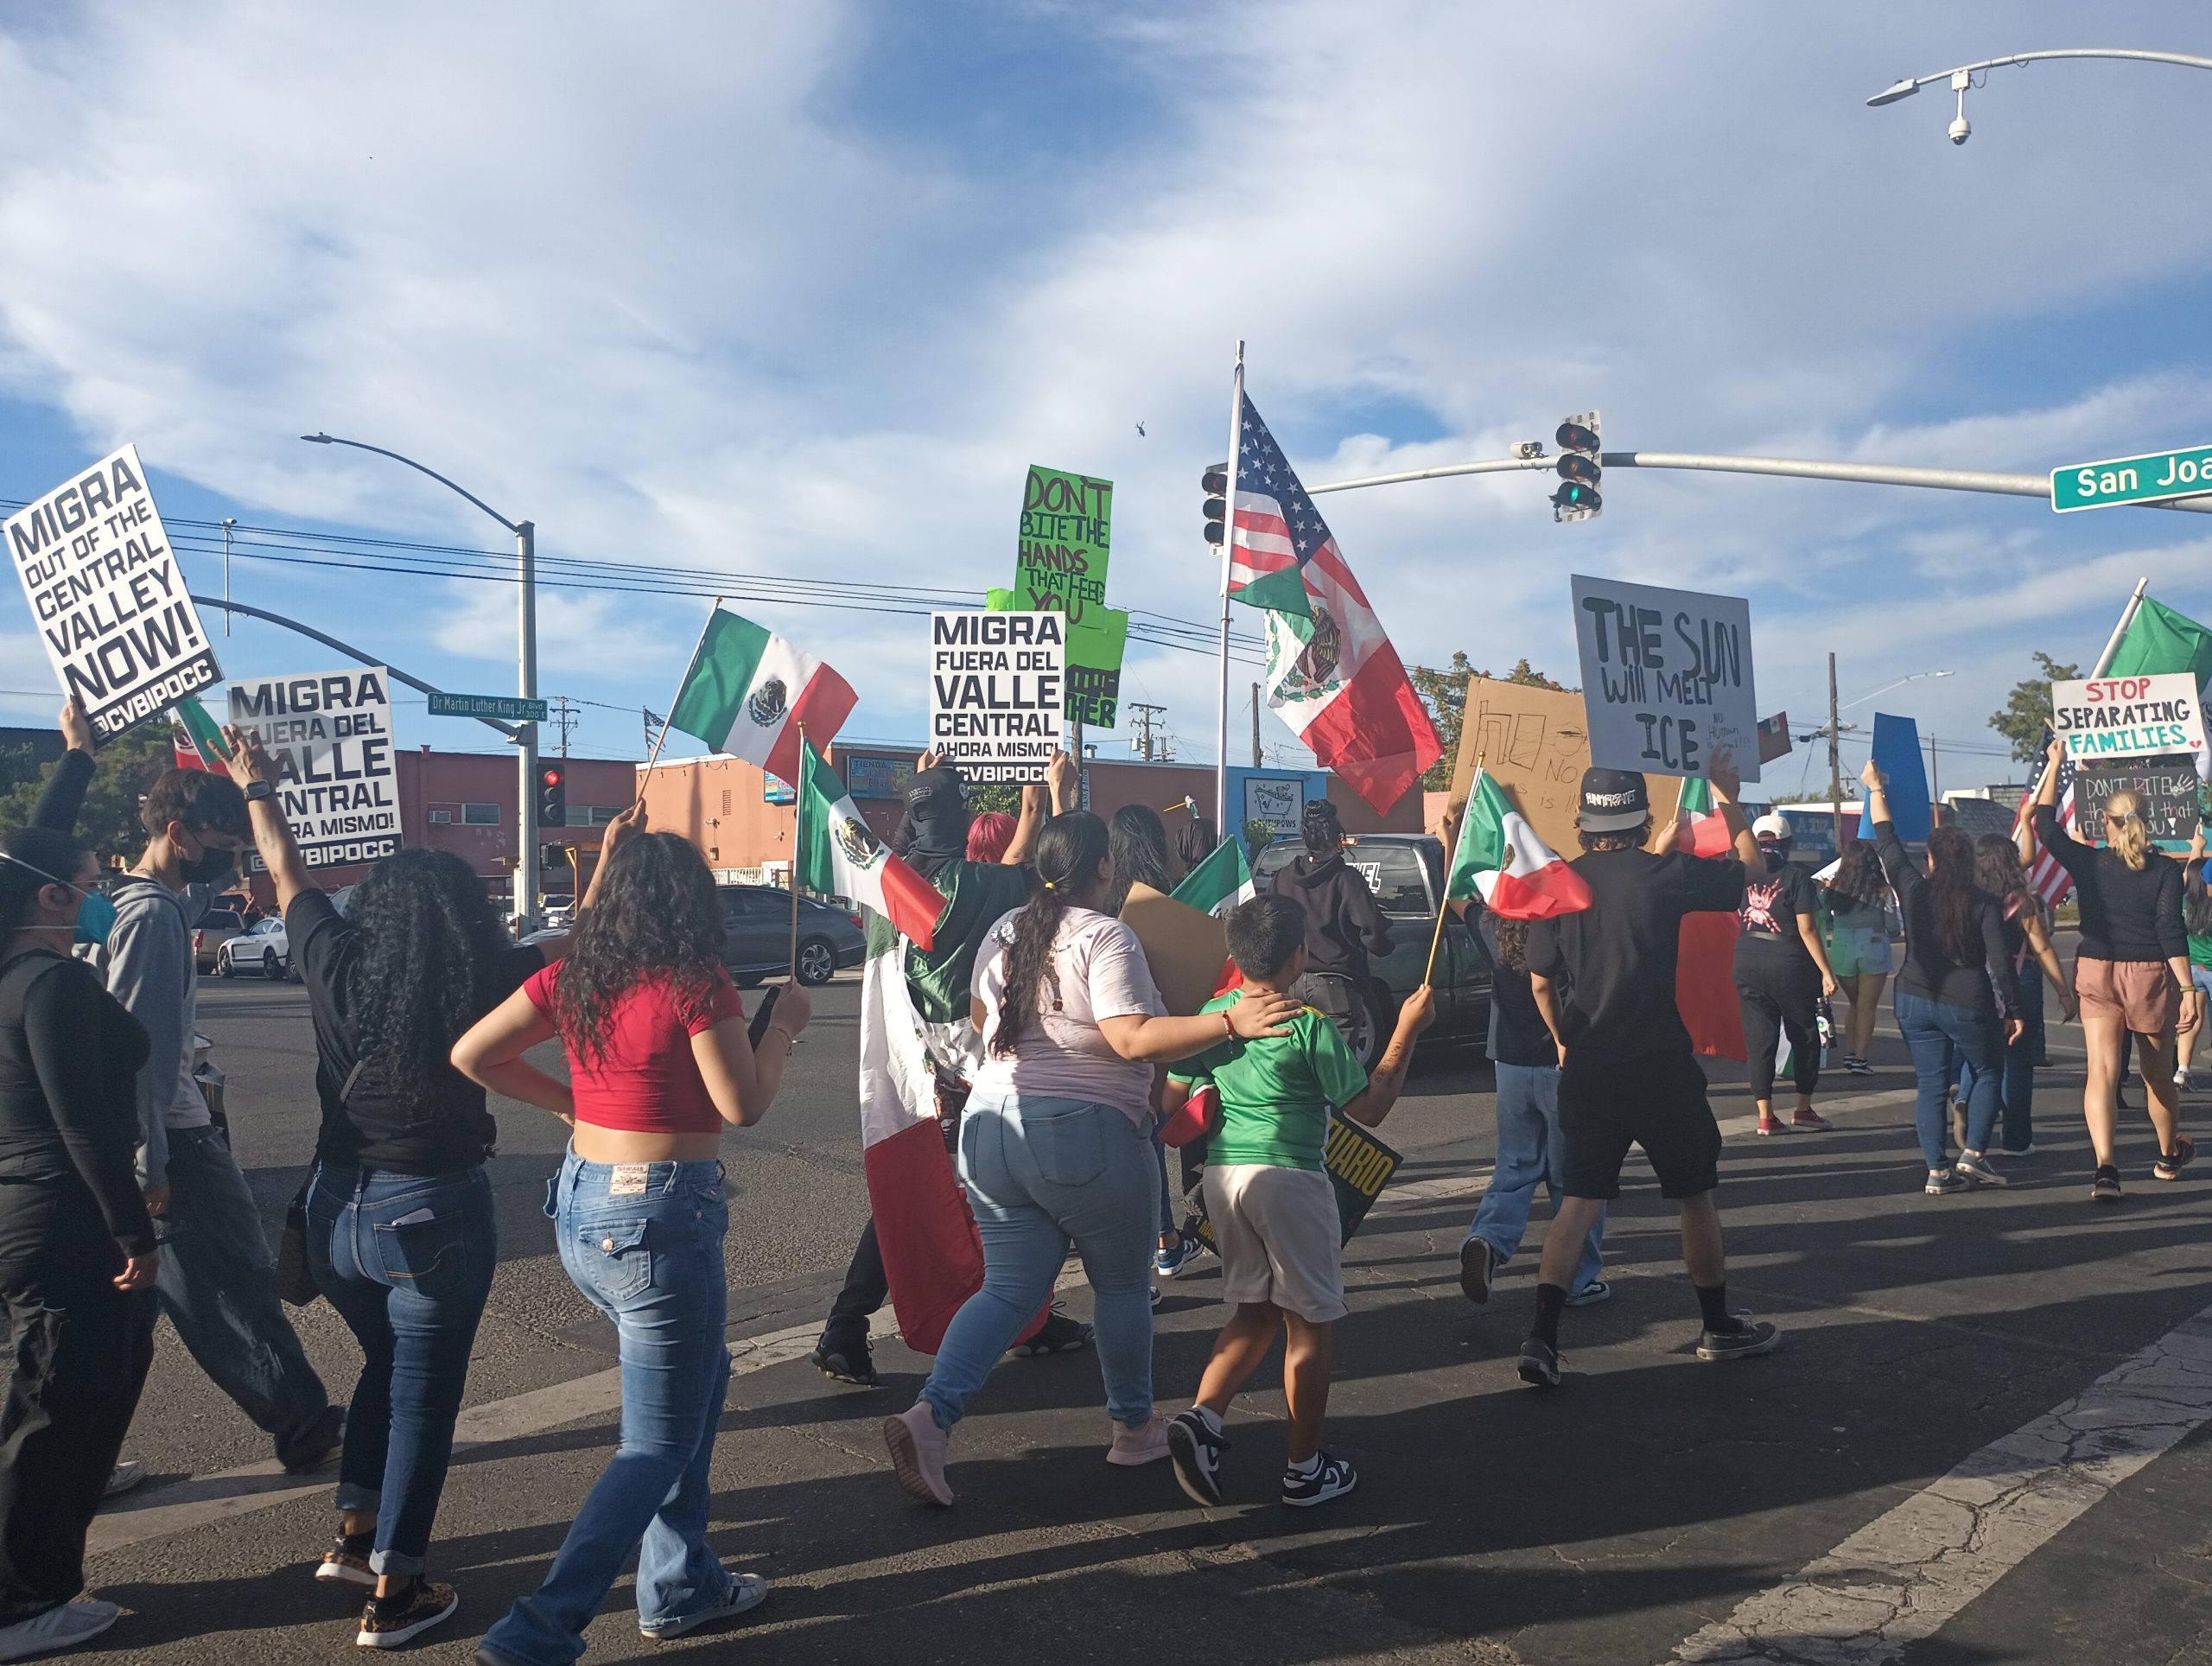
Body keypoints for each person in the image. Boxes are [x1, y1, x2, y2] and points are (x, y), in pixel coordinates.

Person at [223, 730, 634, 1648]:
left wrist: (257, 789)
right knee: (422, 1394)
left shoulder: (332, 956)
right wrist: (607, 855)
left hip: (334, 1209)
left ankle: (354, 1535)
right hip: (430, 1209)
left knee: (384, 1364)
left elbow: (287, 873)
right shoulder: (487, 973)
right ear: (462, 914)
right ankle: (397, 1590)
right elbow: (585, 940)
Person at [454, 829, 813, 1659]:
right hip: (659, 1218)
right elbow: (743, 1103)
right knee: (656, 1441)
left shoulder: (576, 975)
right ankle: (542, 1627)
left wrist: (571, 1104)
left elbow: (475, 1054)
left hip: (583, 1203)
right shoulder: (697, 980)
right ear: (694, 901)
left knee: (700, 1381)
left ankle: (680, 1583)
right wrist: (784, 1029)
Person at [880, 811, 1299, 1507]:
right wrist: (1229, 1021)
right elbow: (1132, 1037)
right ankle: (1132, 1427)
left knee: (1007, 1291)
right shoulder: (1106, 936)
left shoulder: (1005, 928)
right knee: (1122, 1287)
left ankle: (931, 1417)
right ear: (1105, 867)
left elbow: (984, 1021)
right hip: (1084, 1131)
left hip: (991, 1128)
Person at [27, 714, 340, 1472]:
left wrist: (258, 789)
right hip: (175, 1137)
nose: (231, 862)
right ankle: (304, 1423)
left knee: (128, 1314)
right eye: (221, 846)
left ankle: (76, 1459)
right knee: (232, 1284)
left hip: (134, 1137)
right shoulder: (154, 920)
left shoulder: (127, 904)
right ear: (178, 834)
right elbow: (145, 1055)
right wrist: (151, 1165)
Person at [810, 753, 1086, 1386]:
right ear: (960, 820)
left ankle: (850, 1325)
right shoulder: (970, 885)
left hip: (911, 1075)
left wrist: (919, 790)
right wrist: (1055, 801)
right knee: (1016, 1195)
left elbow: (898, 849)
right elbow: (1051, 885)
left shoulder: (885, 889)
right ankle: (1023, 1318)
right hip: (971, 1073)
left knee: (915, 1194)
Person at [1516, 755, 1779, 1391]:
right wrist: (1729, 800)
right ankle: (1717, 1327)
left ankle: (1542, 1336)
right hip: (1661, 1065)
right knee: (1694, 1195)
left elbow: (1541, 983)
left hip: (1590, 1066)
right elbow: (1754, 872)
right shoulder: (1665, 876)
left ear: (1583, 820)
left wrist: (1564, 1041)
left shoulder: (1558, 883)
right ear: (1642, 819)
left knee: (1579, 1201)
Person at [1160, 893, 1433, 1509]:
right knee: (1308, 1326)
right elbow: (1369, 1108)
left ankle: (1203, 1420)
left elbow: (1171, 1100)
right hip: (1290, 1179)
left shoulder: (1214, 1015)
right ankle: (1304, 1470)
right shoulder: (1307, 1025)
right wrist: (1407, 1029)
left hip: (1224, 1178)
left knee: (1253, 1313)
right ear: (1298, 958)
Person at [0, 828, 159, 1661]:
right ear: (50, 896)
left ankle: (31, 1570)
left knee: (65, 1386)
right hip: (62, 1213)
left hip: (31, 1207)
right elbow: (81, 1121)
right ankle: (24, 1602)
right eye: (94, 882)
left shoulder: (17, 969)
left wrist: (79, 765)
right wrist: (134, 1230)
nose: (106, 894)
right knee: (57, 1403)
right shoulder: (51, 982)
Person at [2031, 739, 2195, 1200]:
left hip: (2096, 968)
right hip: (2148, 974)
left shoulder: (2088, 861)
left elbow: (2043, 824)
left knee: (2101, 1072)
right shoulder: (2165, 870)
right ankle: (2167, 1155)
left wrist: (2055, 764)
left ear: (2106, 820)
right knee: (2156, 1074)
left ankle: (2106, 1169)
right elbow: (2169, 929)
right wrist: (2187, 989)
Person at [1859, 763, 2023, 1196]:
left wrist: (1875, 789)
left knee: (1931, 1085)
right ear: (1968, 861)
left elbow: (1886, 840)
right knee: (1988, 1070)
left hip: (1913, 998)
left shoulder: (1913, 889)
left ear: (1930, 859)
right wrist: (2015, 1009)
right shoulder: (1984, 903)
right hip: (1967, 1000)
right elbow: (2000, 961)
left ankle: (1937, 1170)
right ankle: (1974, 1153)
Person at [1456, 913, 1606, 1308]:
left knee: (1514, 1165)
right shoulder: (1569, 927)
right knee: (1574, 1177)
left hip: (1509, 1061)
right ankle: (1578, 1278)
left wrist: (1457, 863)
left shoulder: (1490, 925)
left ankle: (1487, 1239)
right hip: (1562, 1061)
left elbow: (1458, 896)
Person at [1108, 804, 1205, 1281]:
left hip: (1111, 1040)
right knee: (1151, 1143)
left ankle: (1151, 1245)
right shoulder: (1174, 895)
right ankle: (1168, 1239)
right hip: (1170, 1038)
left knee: (1125, 1148)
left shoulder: (1102, 900)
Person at [1966, 835, 2077, 1157]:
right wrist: (2064, 992)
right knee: (2017, 1062)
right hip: (2018, 977)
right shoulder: (2023, 902)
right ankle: (2016, 1139)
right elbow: (2042, 948)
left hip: (1976, 980)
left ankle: (1971, 1119)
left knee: (1981, 1057)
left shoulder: (1969, 898)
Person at [1734, 813, 1841, 1135]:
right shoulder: (1796, 878)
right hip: (1790, 964)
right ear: (1787, 843)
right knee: (1805, 1035)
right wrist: (1826, 972)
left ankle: (1765, 1116)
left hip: (1747, 960)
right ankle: (1803, 1108)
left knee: (1760, 1041)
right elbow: (1808, 929)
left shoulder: (1741, 876)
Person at [1265, 799, 1393, 1056]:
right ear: (1338, 839)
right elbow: (1372, 929)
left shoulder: (1282, 878)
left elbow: (1267, 924)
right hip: (1336, 985)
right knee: (1339, 1067)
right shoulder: (1347, 879)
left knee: (1297, 1061)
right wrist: (1383, 945)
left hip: (1291, 981)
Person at [1821, 840, 1894, 1076]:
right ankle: (1860, 1059)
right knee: (1867, 1007)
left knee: (1854, 1004)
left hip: (1842, 944)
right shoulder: (1882, 889)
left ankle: (1850, 1053)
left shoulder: (1835, 887)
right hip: (1873, 943)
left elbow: (1823, 916)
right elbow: (1894, 928)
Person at [2174, 825, 2212, 1093]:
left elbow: (2189, 875)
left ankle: (2182, 1069)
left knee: (2191, 1019)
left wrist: (2196, 848)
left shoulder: (2185, 902)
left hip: (2191, 969)